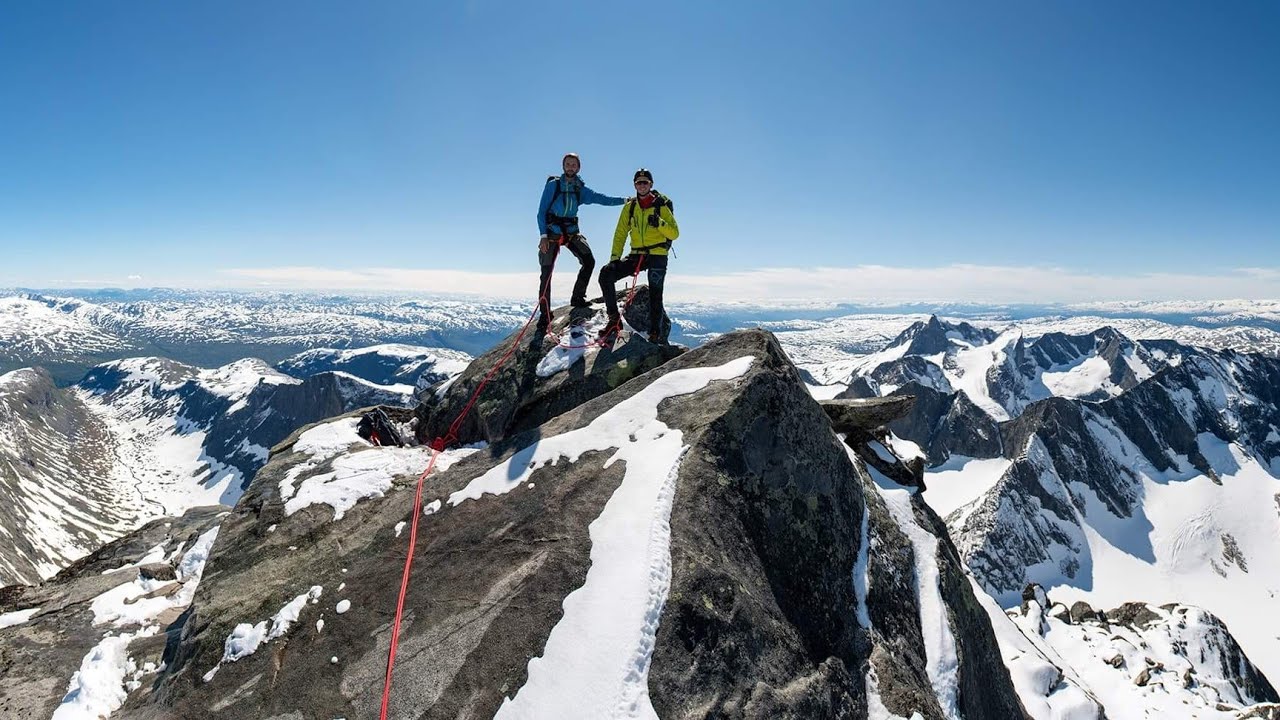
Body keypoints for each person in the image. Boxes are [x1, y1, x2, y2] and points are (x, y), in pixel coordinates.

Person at [535, 152, 626, 339]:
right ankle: (545, 315)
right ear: (563, 166)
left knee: (588, 260)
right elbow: (541, 211)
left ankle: (578, 298)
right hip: (552, 233)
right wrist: (543, 236)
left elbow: (602, 199)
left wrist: (624, 201)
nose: (570, 167)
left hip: (571, 232)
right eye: (568, 164)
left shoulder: (579, 189)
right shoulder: (554, 185)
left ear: (578, 168)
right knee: (547, 272)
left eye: (574, 164)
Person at [597, 168, 679, 344]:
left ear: (651, 184)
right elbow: (620, 234)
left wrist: (659, 223)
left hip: (657, 253)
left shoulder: (661, 205)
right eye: (639, 182)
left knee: (656, 293)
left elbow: (674, 233)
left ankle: (655, 332)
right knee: (606, 274)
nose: (642, 185)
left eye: (645, 182)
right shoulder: (630, 207)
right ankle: (614, 321)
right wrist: (614, 259)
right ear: (634, 185)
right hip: (637, 254)